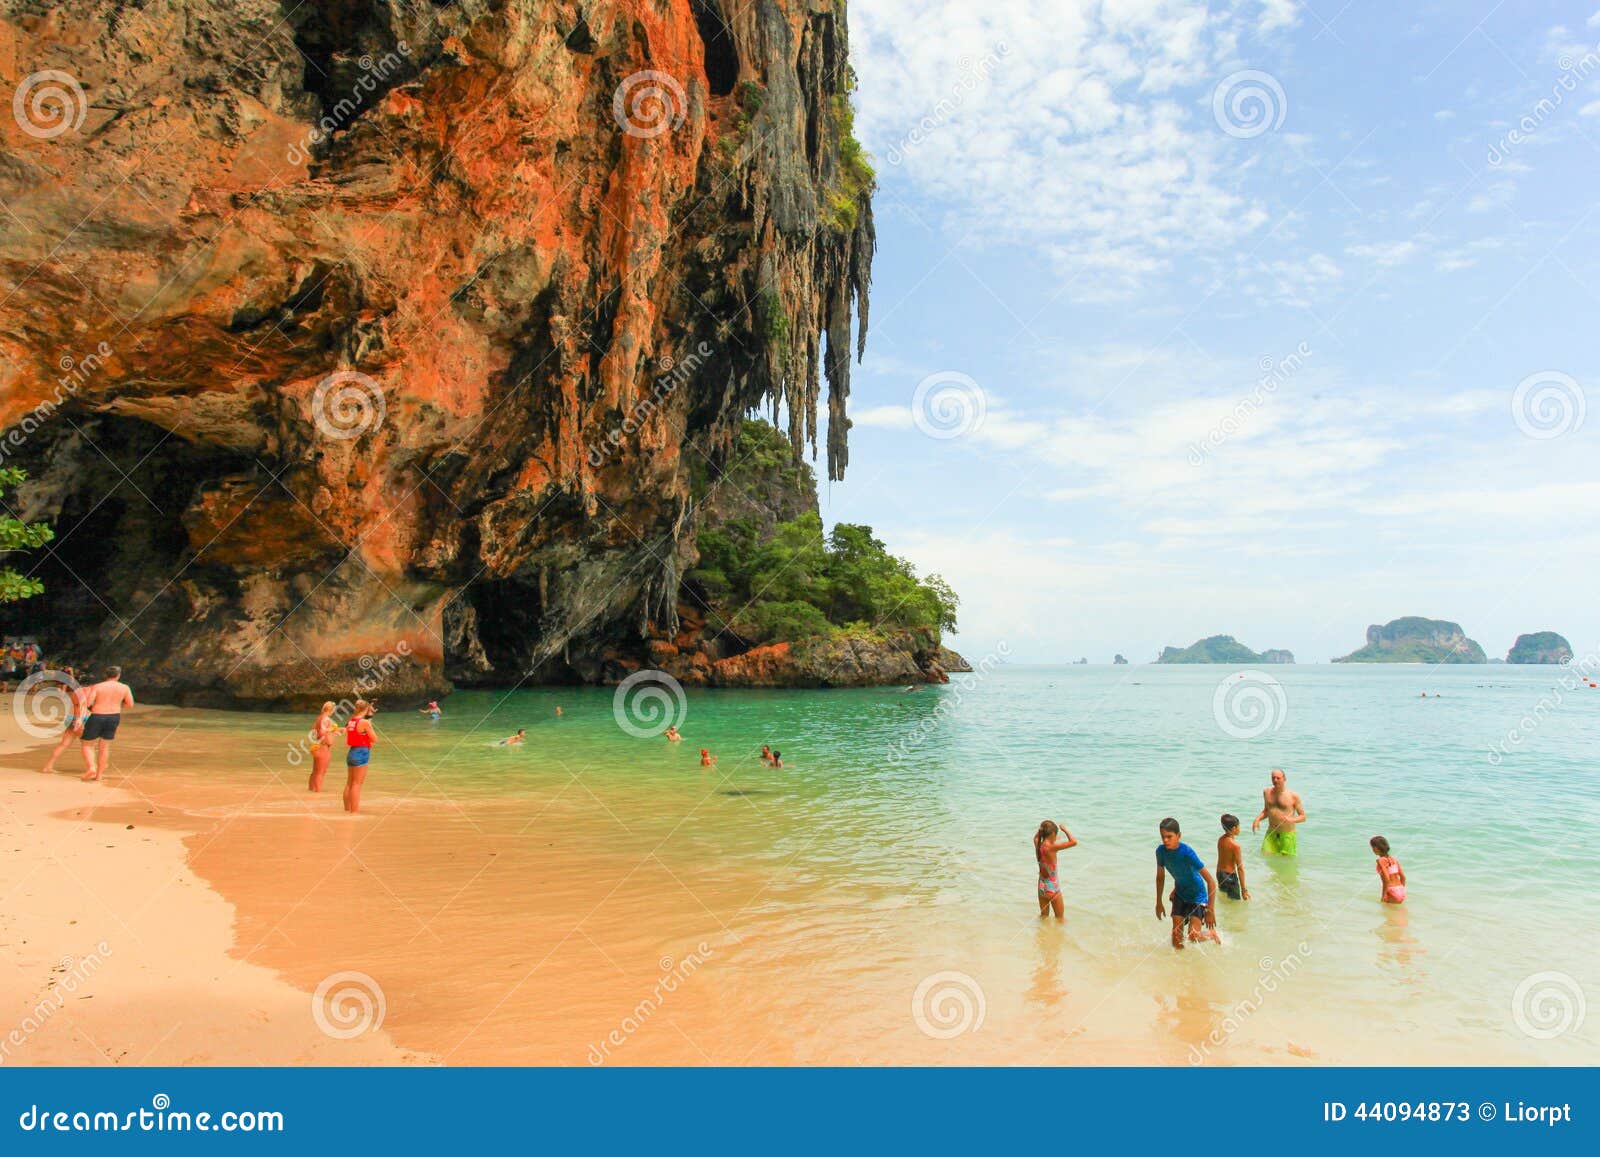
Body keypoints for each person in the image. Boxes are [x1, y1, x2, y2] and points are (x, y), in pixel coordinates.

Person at [1155, 818, 1221, 948]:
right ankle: (1179, 966)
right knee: (1176, 938)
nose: (1165, 840)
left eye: (1169, 836)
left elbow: (1211, 882)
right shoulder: (1160, 852)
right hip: (1180, 893)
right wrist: (1158, 902)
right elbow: (1160, 878)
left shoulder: (1187, 853)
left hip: (1198, 896)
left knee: (1193, 936)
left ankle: (1211, 934)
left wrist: (1210, 910)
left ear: (1179, 835)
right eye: (1163, 837)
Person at [79, 666, 134, 782]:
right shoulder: (124, 688)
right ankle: (99, 775)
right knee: (104, 747)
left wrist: (94, 708)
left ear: (106, 675)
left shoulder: (98, 686)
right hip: (114, 717)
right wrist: (117, 706)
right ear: (118, 675)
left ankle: (91, 768)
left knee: (87, 744)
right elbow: (130, 704)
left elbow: (88, 702)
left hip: (97, 715)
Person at [1251, 767, 1307, 856]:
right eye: (1273, 778)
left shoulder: (1293, 796)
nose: (1275, 780)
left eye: (1278, 778)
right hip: (1271, 833)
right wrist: (1257, 819)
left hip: (1287, 835)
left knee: (1286, 864)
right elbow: (1266, 810)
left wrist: (1291, 819)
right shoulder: (1267, 792)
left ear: (1284, 779)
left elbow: (1303, 817)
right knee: (1267, 858)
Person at [40, 675, 88, 774]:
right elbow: (80, 708)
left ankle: (48, 766)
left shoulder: (76, 692)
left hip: (71, 718)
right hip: (80, 719)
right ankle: (92, 768)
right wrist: (79, 722)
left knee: (64, 744)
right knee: (87, 746)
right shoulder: (86, 693)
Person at [1034, 819, 1077, 919]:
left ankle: (1042, 934)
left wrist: (1042, 830)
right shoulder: (1052, 847)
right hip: (1052, 887)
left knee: (1044, 916)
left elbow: (1036, 837)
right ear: (1052, 834)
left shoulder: (1038, 844)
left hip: (1041, 886)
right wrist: (1065, 830)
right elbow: (1074, 842)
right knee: (1060, 918)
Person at [343, 700, 375, 813]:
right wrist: (369, 718)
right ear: (366, 709)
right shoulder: (364, 723)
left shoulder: (351, 720)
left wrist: (369, 715)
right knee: (357, 784)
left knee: (349, 783)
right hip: (361, 752)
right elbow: (374, 739)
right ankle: (354, 813)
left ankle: (347, 810)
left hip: (352, 751)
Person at [1216, 814, 1249, 900]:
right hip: (1229, 877)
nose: (1240, 829)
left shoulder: (1220, 840)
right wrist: (1244, 891)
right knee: (1234, 903)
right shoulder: (1235, 846)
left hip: (1219, 874)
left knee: (1225, 901)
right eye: (1239, 826)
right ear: (1234, 828)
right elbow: (1240, 868)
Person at [307, 701, 337, 792]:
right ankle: (318, 793)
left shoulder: (319, 718)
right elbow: (322, 732)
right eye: (333, 710)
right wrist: (331, 730)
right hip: (323, 747)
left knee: (315, 771)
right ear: (331, 710)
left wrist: (336, 730)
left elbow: (313, 732)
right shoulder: (326, 719)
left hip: (317, 746)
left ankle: (311, 790)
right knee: (321, 772)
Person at [1371, 836, 1406, 904]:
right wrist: (1401, 890)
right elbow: (1403, 877)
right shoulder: (1393, 859)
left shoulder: (1380, 860)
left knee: (1387, 912)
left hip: (1392, 890)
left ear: (1376, 848)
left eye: (1372, 847)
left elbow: (1387, 879)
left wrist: (1383, 895)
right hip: (1401, 890)